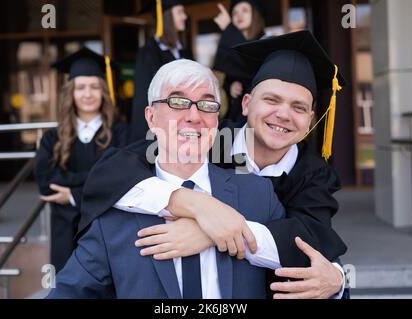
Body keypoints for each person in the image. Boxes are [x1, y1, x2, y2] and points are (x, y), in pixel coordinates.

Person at [78, 30, 349, 299]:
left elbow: (313, 240)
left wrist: (212, 232)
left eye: (299, 107)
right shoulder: (209, 138)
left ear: (311, 117)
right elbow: (114, 172)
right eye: (271, 99)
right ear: (246, 103)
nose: (283, 114)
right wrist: (191, 203)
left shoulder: (313, 173)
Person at [47, 59, 286, 298]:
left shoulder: (258, 195)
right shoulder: (113, 215)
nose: (194, 115)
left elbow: (299, 278)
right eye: (178, 102)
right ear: (151, 118)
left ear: (216, 120)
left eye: (207, 104)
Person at [34, 47, 128, 272]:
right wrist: (95, 181)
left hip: (109, 230)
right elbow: (46, 184)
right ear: (71, 93)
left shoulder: (121, 134)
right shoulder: (52, 138)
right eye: (81, 87)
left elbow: (121, 180)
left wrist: (73, 194)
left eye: (95, 87)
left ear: (104, 91)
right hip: (65, 234)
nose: (88, 94)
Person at [130, 0, 192, 142]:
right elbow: (142, 97)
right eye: (179, 12)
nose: (185, 17)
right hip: (162, 130)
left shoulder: (184, 51)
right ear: (167, 16)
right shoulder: (149, 53)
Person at [213, 0, 265, 121]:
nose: (239, 15)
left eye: (245, 10)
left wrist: (229, 28)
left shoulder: (264, 41)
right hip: (235, 116)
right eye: (235, 12)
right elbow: (224, 68)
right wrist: (230, 86)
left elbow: (249, 67)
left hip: (255, 116)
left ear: (255, 14)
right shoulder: (229, 40)